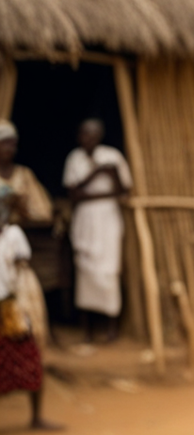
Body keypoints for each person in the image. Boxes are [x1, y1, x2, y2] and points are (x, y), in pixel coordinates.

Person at [63, 119, 132, 343]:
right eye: (84, 134)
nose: (88, 139)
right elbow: (73, 194)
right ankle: (88, 329)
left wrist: (108, 178)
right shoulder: (74, 158)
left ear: (100, 136)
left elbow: (124, 190)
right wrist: (98, 172)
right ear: (78, 136)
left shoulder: (113, 156)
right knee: (85, 270)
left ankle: (111, 327)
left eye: (93, 134)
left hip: (108, 220)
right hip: (85, 220)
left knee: (109, 270)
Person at [0, 195, 63, 435]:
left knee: (31, 358)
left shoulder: (13, 234)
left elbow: (21, 268)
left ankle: (37, 416)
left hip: (11, 306)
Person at [0, 120, 53, 347]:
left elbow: (43, 212)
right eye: (4, 143)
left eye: (12, 144)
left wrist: (20, 209)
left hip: (19, 242)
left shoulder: (24, 175)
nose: (9, 149)